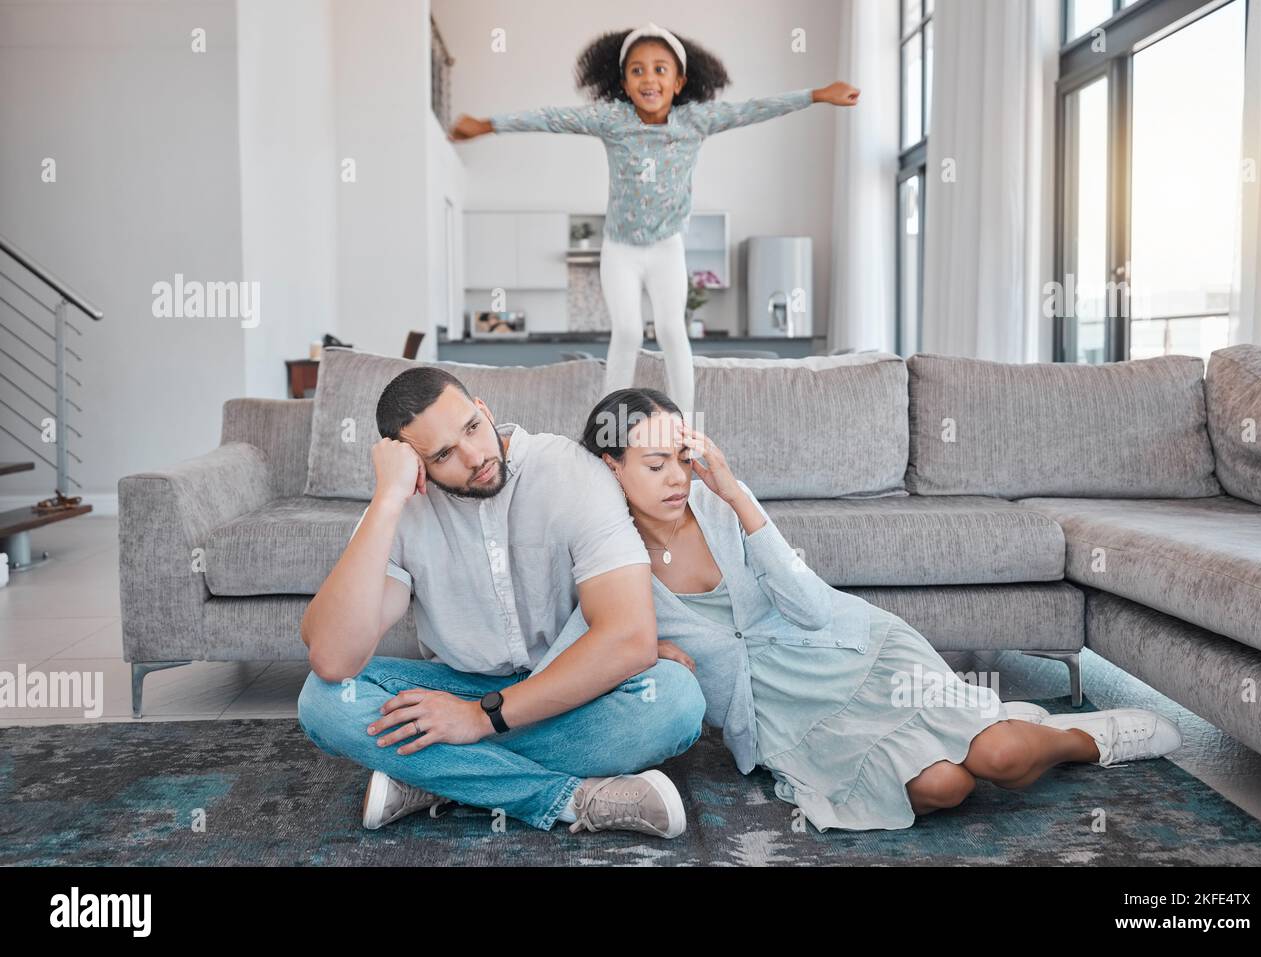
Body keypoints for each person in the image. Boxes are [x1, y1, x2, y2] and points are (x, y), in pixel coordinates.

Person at [556, 388, 1184, 832]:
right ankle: (999, 718)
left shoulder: (722, 504)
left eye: (683, 460)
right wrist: (649, 649)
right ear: (611, 468)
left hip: (854, 655)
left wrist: (737, 495)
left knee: (1005, 759)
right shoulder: (608, 559)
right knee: (945, 787)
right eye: (656, 465)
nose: (677, 479)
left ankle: (1084, 740)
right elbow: (571, 655)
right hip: (790, 720)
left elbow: (809, 608)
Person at [296, 368, 707, 838]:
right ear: (416, 465)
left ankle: (439, 779)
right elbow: (333, 656)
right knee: (325, 700)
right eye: (445, 454)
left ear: (485, 411)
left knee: (673, 700)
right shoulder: (403, 508)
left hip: (570, 687)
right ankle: (575, 800)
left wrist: (479, 719)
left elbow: (629, 639)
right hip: (458, 685)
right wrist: (387, 499)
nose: (475, 457)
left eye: (472, 427)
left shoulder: (571, 471)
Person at [450, 22, 860, 428]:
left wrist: (818, 95)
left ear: (679, 82)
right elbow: (551, 118)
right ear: (625, 83)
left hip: (666, 247)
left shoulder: (696, 121)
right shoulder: (612, 120)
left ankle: (683, 427)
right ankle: (606, 427)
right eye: (637, 70)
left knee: (671, 330)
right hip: (620, 249)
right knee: (627, 333)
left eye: (660, 69)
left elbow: (754, 109)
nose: (649, 78)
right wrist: (488, 125)